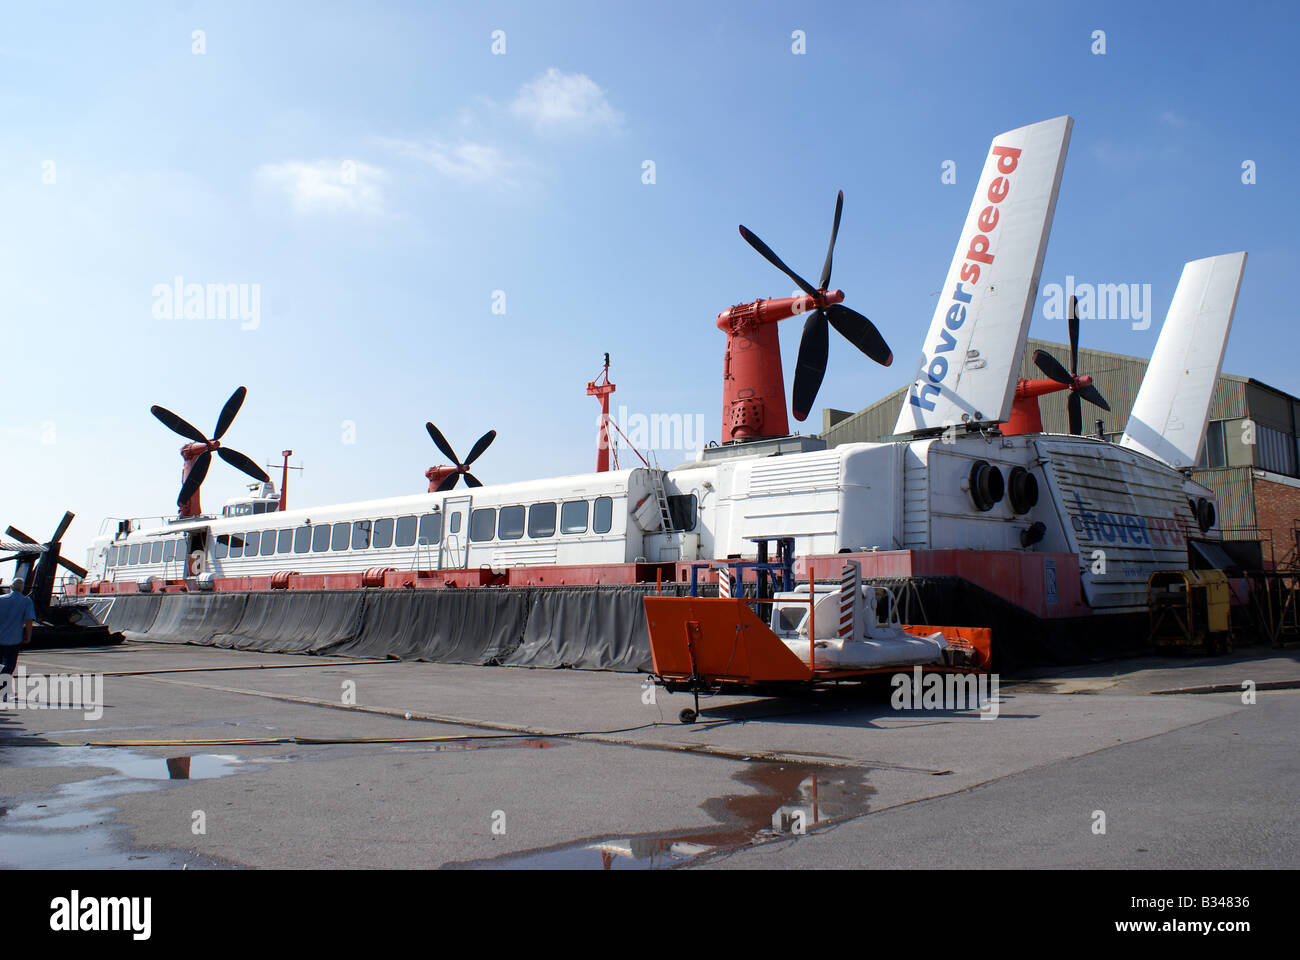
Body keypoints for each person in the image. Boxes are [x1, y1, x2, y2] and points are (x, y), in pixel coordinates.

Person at [0, 577, 36, 701]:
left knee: (2, 664)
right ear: (23, 588)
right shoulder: (26, 601)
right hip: (14, 637)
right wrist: (28, 635)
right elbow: (29, 620)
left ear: (11, 587)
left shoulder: (1, 599)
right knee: (9, 665)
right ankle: (4, 690)